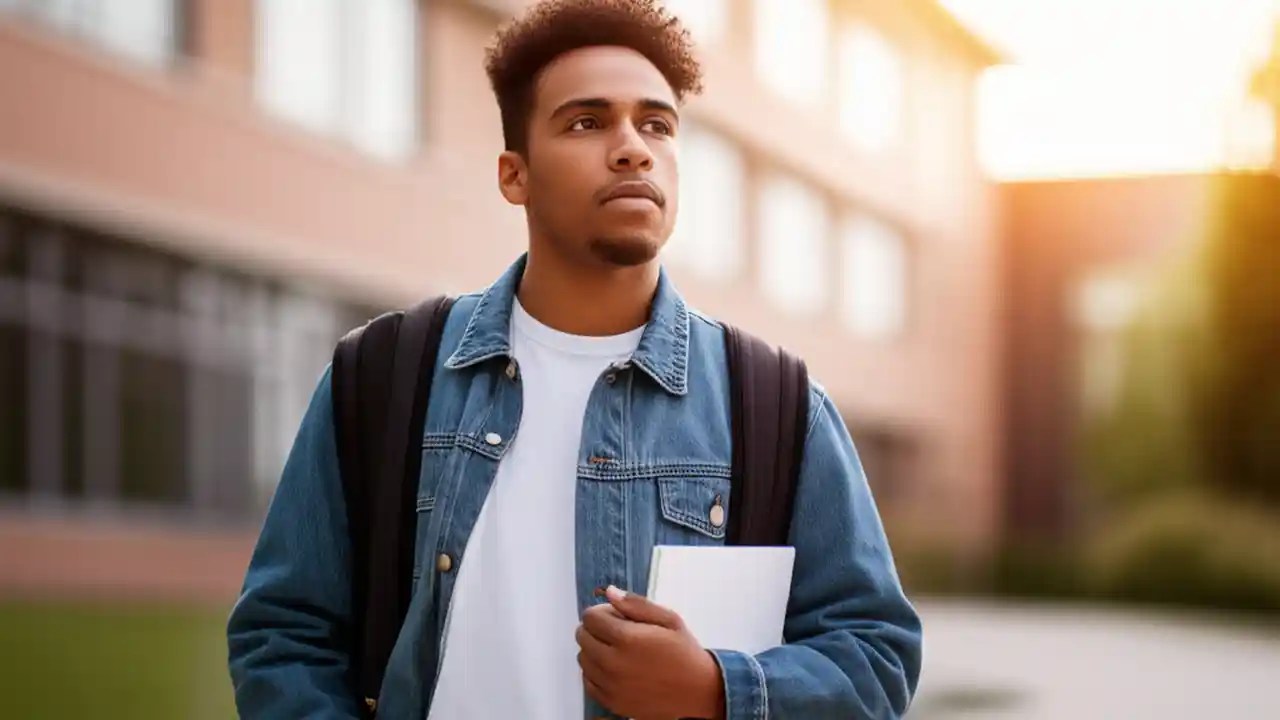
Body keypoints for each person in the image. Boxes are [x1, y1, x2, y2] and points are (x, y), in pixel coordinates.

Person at [226, 0, 922, 718]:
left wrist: (719, 690)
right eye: (587, 122)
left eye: (656, 123)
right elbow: (284, 636)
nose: (633, 148)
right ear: (513, 175)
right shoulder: (383, 372)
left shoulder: (776, 402)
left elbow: (875, 655)